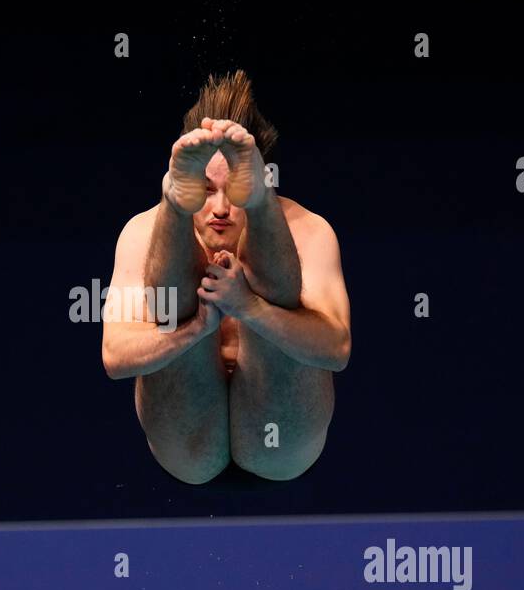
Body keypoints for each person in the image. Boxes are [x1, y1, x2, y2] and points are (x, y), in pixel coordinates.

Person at [102, 70, 352, 483]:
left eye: (234, 191)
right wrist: (197, 328)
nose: (220, 208)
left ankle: (260, 207)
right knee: (174, 307)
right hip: (189, 444)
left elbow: (337, 350)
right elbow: (115, 357)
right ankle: (175, 208)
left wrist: (250, 308)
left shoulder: (309, 230)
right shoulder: (141, 233)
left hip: (281, 443)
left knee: (276, 291)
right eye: (203, 190)